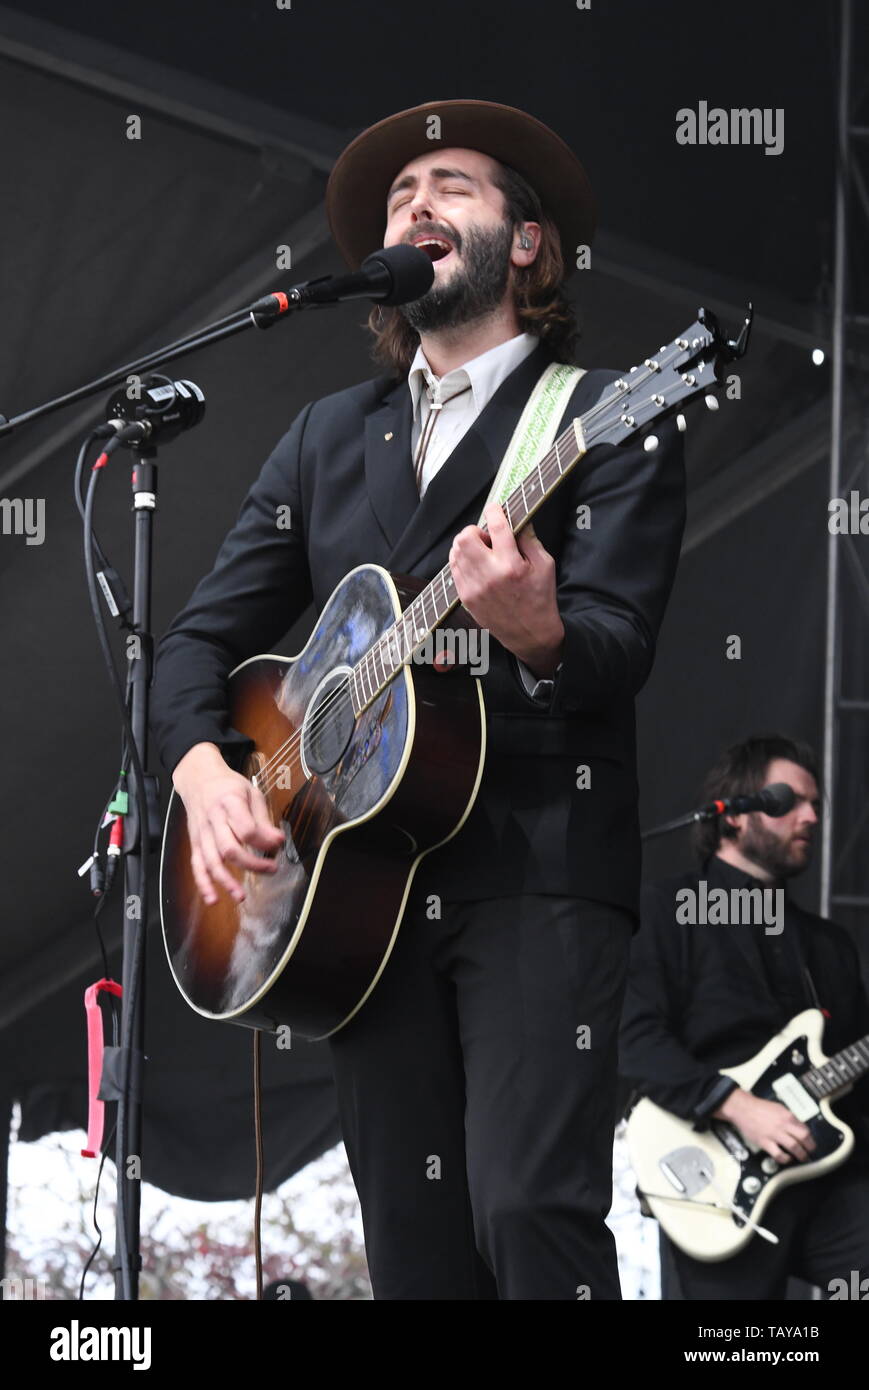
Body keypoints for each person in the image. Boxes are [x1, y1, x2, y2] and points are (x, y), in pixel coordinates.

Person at [150, 98, 686, 1300]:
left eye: (450, 184)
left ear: (526, 242)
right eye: (398, 197)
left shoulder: (604, 414)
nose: (415, 205)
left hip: (533, 870)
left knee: (525, 1207)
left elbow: (613, 647)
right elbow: (194, 645)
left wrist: (537, 626)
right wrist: (201, 770)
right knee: (413, 1249)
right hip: (358, 894)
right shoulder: (325, 437)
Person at [620, 734, 869, 1300]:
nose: (810, 815)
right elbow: (631, 1036)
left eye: (816, 805)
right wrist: (738, 1106)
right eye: (790, 801)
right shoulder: (666, 912)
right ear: (733, 816)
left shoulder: (829, 946)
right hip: (714, 1175)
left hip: (832, 1176)